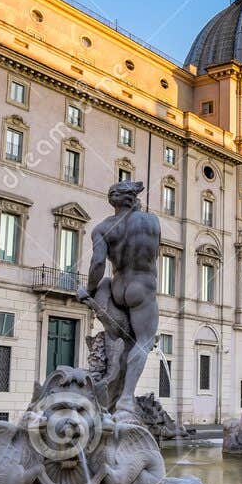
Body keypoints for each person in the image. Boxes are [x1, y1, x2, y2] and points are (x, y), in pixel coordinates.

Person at [77, 180, 159, 420]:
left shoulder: (102, 228)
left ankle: (111, 398)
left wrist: (89, 291)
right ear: (133, 198)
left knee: (126, 345)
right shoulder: (151, 221)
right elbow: (154, 254)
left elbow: (98, 264)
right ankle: (125, 401)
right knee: (143, 341)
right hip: (142, 287)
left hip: (117, 286)